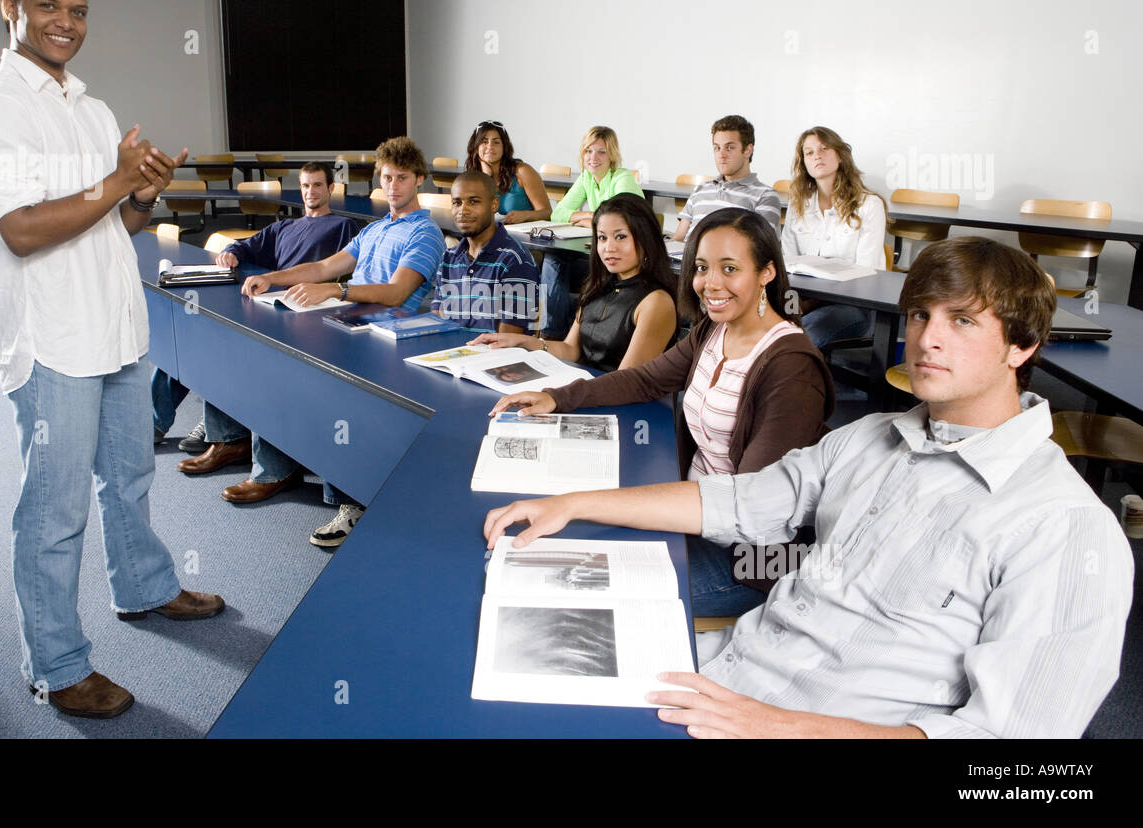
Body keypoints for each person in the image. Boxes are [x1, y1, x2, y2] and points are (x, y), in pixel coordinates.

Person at [485, 237, 1132, 738]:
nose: (926, 339)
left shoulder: (1066, 529)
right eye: (920, 314)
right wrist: (570, 503)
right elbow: (742, 501)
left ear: (1022, 346)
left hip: (787, 722)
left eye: (962, 321)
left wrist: (779, 726)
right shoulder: (872, 437)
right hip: (717, 676)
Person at [0, 0, 224, 720]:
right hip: (51, 345)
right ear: (10, 8)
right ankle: (57, 666)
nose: (65, 23)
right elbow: (23, 232)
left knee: (130, 480)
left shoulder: (92, 108)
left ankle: (144, 588)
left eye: (77, 11)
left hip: (114, 329)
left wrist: (140, 195)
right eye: (48, 7)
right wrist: (113, 182)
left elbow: (115, 222)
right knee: (53, 513)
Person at [490, 208, 832, 617]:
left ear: (767, 273)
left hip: (745, 560)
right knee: (570, 541)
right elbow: (645, 379)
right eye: (702, 268)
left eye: (730, 268)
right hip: (691, 511)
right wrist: (559, 397)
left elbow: (747, 508)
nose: (710, 284)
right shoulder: (714, 328)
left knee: (579, 577)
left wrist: (577, 503)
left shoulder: (791, 367)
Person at [241, 136, 446, 547]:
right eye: (386, 178)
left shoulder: (424, 233)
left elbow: (394, 292)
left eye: (402, 178)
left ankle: (349, 501)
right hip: (350, 324)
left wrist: (339, 290)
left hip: (390, 336)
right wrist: (272, 278)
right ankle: (282, 467)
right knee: (277, 359)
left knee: (329, 385)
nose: (392, 187)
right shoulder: (374, 230)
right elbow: (322, 266)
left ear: (419, 180)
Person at [173, 162, 358, 504]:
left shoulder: (343, 227)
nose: (310, 192)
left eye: (318, 185)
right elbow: (246, 247)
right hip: (277, 303)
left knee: (263, 361)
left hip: (313, 312)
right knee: (220, 342)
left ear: (330, 189)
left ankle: (271, 469)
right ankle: (228, 440)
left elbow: (343, 273)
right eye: (305, 186)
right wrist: (230, 252)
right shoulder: (284, 226)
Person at [472, 194, 676, 372]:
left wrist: (560, 396)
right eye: (602, 238)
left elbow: (626, 381)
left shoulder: (656, 303)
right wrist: (522, 341)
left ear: (645, 239)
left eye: (620, 237)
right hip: (590, 389)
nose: (608, 248)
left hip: (623, 404)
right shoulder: (598, 286)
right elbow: (570, 350)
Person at [780, 126, 887, 348]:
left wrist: (810, 303)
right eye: (808, 152)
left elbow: (864, 274)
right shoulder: (798, 203)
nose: (816, 155)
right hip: (800, 300)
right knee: (763, 327)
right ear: (804, 163)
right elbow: (787, 263)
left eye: (824, 148)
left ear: (839, 155)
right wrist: (799, 304)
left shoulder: (869, 205)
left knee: (796, 338)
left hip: (852, 306)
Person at [540, 125, 645, 338]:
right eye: (588, 151)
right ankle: (552, 336)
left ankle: (555, 335)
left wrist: (594, 219)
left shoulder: (622, 178)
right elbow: (557, 213)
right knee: (553, 258)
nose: (593, 157)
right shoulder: (586, 178)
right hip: (598, 254)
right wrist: (586, 216)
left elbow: (620, 219)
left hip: (625, 261)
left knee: (557, 266)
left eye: (601, 151)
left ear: (612, 155)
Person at [431, 170, 540, 332]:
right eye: (457, 202)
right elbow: (437, 323)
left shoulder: (515, 261)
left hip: (496, 355)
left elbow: (508, 343)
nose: (463, 210)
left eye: (473, 202)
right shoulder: (448, 257)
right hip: (453, 353)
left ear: (494, 205)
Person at [672, 115, 782, 240]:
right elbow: (678, 238)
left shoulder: (765, 196)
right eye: (717, 148)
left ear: (747, 150)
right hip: (686, 257)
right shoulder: (701, 189)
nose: (721, 155)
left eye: (730, 147)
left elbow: (758, 247)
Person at [464, 121, 551, 224]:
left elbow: (548, 213)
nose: (490, 146)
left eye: (496, 142)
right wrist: (486, 176)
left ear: (504, 147)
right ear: (476, 147)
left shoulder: (522, 171)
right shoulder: (473, 175)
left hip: (521, 236)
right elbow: (472, 212)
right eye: (484, 141)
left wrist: (526, 215)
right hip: (489, 235)